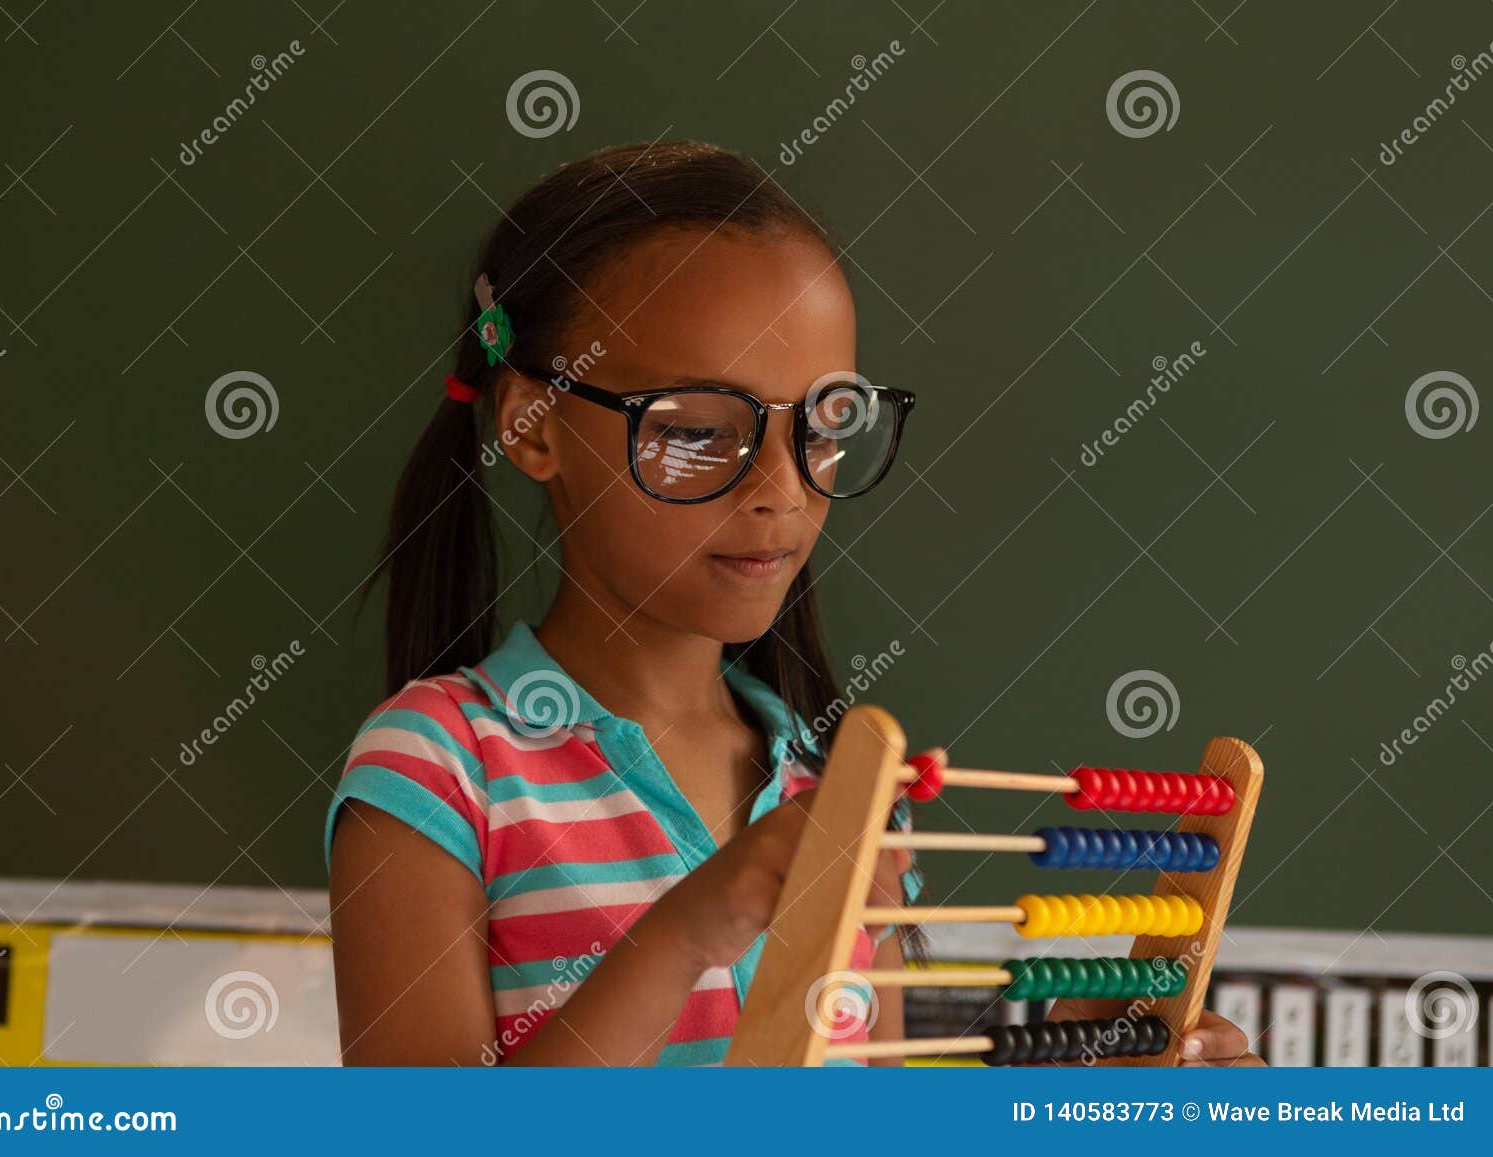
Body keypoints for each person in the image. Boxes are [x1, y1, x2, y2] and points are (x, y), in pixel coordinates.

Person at [325, 139, 1260, 1068]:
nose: (781, 487)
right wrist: (688, 931)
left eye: (825, 423)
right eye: (697, 430)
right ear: (532, 426)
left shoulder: (841, 800)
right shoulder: (442, 771)